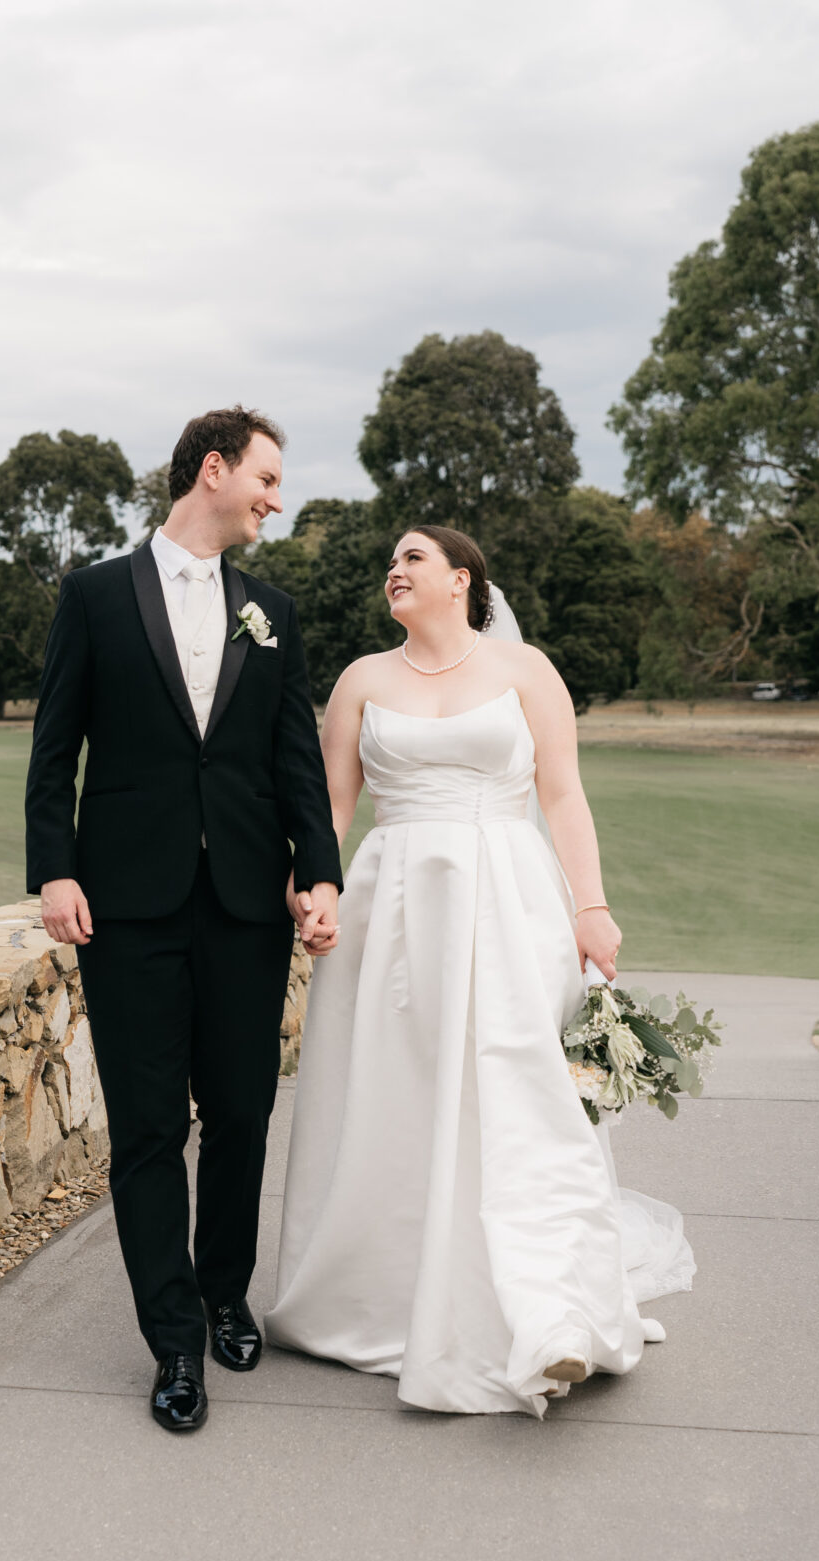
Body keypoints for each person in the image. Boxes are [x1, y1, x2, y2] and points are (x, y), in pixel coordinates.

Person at [267, 524, 694, 1416]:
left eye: (414, 557)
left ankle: (549, 1306)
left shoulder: (526, 672)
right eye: (391, 560)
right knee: (398, 1092)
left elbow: (563, 794)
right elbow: (332, 806)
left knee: (522, 1094)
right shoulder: (360, 681)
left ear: (462, 580)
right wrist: (313, 891)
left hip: (511, 903)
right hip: (393, 916)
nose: (396, 568)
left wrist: (593, 906)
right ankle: (386, 1293)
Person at [24, 406, 340, 1434]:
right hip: (127, 903)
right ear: (213, 470)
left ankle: (223, 1289)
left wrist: (320, 874)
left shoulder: (273, 613)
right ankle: (172, 1341)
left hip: (248, 900)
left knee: (242, 1111)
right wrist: (53, 871)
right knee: (151, 1127)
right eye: (266, 478)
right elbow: (54, 747)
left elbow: (296, 759)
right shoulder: (94, 596)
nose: (275, 499)